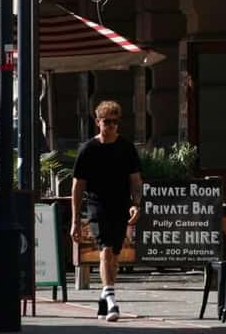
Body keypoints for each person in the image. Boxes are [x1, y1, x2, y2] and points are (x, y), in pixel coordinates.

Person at [70, 100, 142, 322]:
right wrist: (75, 220)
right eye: (106, 122)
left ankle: (104, 297)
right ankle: (111, 300)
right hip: (97, 205)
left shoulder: (127, 148)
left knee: (115, 256)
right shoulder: (88, 150)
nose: (111, 126)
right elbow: (77, 186)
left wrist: (136, 203)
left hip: (120, 204)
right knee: (106, 250)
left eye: (114, 122)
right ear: (97, 122)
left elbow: (136, 180)